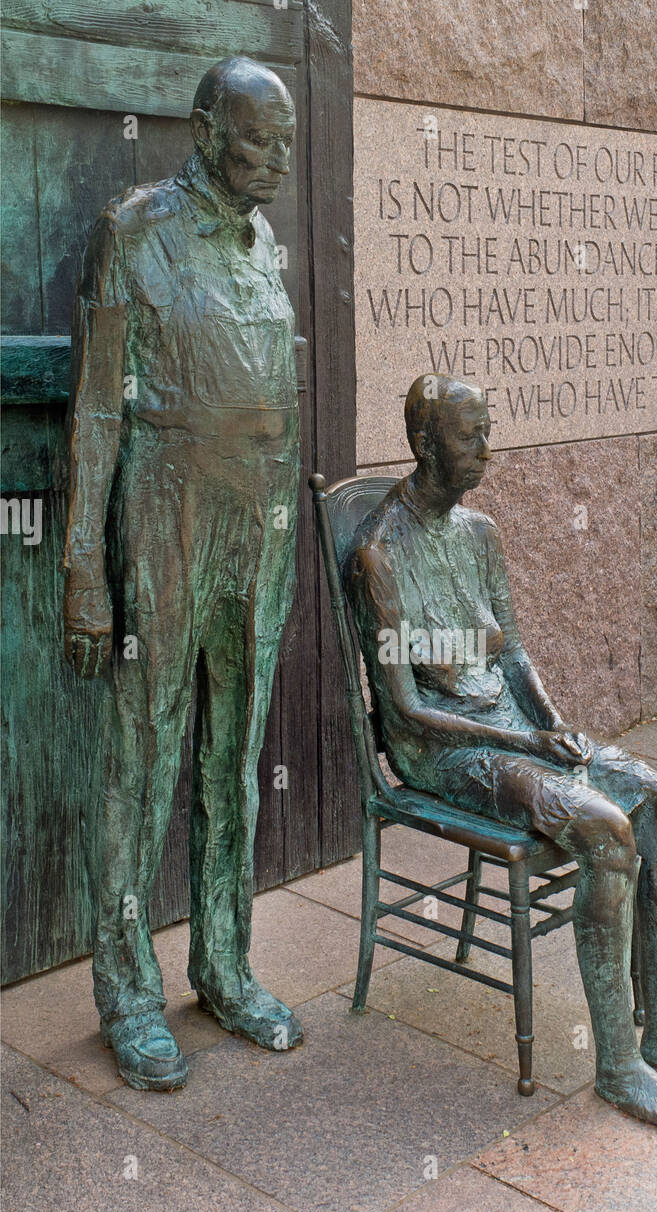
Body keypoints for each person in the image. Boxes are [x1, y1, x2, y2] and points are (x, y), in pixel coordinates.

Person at [347, 374, 657, 1130]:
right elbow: (405, 708)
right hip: (443, 752)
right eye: (471, 436)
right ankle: (618, 1068)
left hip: (512, 727)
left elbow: (515, 653)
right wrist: (526, 741)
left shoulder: (480, 535)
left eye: (487, 430)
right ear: (424, 443)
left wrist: (559, 730)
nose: (487, 449)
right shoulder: (380, 553)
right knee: (606, 830)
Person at [63, 57, 302, 1089]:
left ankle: (225, 962)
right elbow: (94, 409)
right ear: (205, 131)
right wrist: (83, 565)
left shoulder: (263, 243)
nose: (278, 161)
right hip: (165, 510)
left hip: (261, 515)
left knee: (232, 754)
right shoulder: (136, 231)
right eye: (259, 140)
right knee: (144, 750)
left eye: (289, 144)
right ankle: (126, 991)